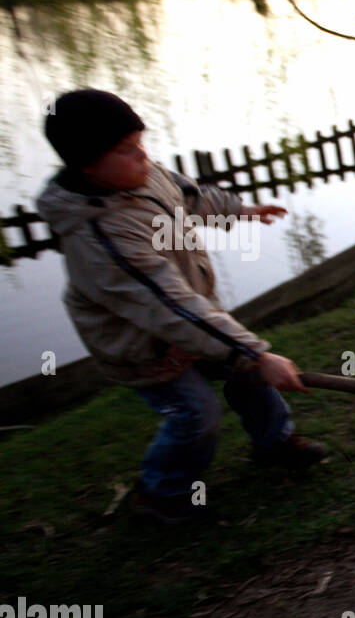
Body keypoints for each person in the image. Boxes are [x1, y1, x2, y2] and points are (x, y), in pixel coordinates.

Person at [36, 89, 327, 524]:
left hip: (189, 321)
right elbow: (168, 304)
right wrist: (254, 352)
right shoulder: (101, 236)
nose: (142, 156)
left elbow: (189, 197)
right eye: (126, 150)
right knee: (197, 412)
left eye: (140, 143)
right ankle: (160, 493)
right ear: (88, 165)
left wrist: (239, 210)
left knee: (249, 376)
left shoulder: (143, 176)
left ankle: (275, 442)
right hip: (143, 346)